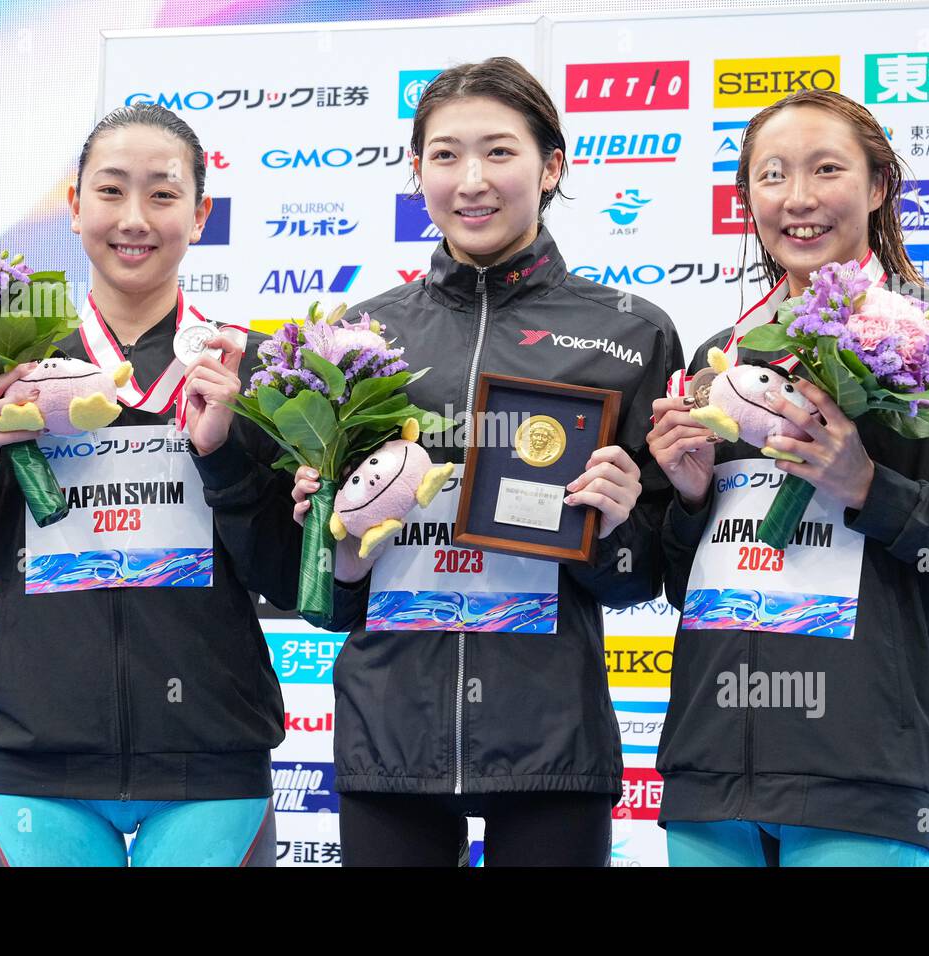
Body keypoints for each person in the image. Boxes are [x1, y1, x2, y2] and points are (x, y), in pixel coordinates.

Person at [647, 89, 929, 866]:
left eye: (826, 169)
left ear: (878, 188)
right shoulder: (725, 356)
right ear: (748, 200)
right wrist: (692, 497)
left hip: (858, 783)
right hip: (707, 778)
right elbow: (685, 585)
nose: (798, 198)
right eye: (771, 176)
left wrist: (873, 490)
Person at [291, 57, 684, 866]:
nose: (471, 180)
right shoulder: (359, 339)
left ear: (553, 167)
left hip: (551, 739)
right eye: (445, 155)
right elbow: (328, 600)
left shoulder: (630, 332)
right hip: (388, 730)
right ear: (417, 171)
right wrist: (327, 539)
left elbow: (641, 577)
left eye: (499, 152)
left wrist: (616, 523)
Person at [0, 103, 299, 866]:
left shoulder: (246, 372)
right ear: (76, 205)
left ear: (200, 214)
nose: (135, 218)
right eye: (112, 191)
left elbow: (293, 581)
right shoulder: (4, 369)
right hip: (40, 764)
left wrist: (222, 458)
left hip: (212, 762)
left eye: (162, 193)